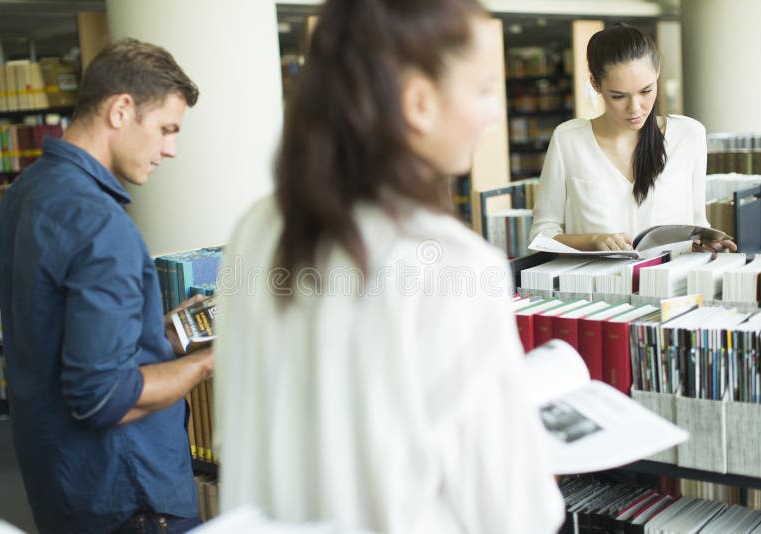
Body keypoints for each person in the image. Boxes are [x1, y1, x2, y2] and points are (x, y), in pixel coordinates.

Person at [213, 1, 564, 533]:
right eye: (484, 88)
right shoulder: (453, 266)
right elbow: (516, 514)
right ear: (419, 102)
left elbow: (238, 435)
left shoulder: (254, 233)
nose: (494, 113)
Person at [0, 39, 213, 534]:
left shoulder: (21, 195)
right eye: (166, 129)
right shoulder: (101, 225)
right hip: (130, 497)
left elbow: (58, 339)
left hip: (62, 485)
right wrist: (207, 360)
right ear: (120, 110)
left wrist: (162, 335)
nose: (170, 150)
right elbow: (103, 397)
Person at [530, 24, 737, 253]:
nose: (635, 108)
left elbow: (697, 227)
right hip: (595, 286)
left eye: (646, 91)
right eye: (618, 96)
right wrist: (593, 240)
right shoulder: (568, 140)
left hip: (671, 285)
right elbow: (541, 235)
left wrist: (709, 246)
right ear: (596, 84)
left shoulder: (689, 135)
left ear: (657, 72)